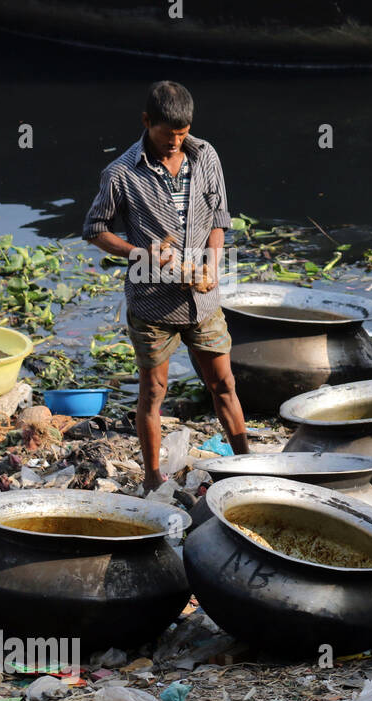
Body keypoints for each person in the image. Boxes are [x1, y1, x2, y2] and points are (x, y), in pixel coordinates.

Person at [84, 80, 249, 492]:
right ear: (146, 122)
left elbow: (218, 218)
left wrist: (212, 262)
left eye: (182, 133)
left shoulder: (206, 155)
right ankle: (153, 475)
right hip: (152, 301)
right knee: (153, 391)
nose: (176, 142)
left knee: (223, 383)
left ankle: (248, 464)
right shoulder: (121, 172)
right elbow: (94, 229)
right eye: (167, 134)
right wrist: (140, 252)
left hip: (203, 299)